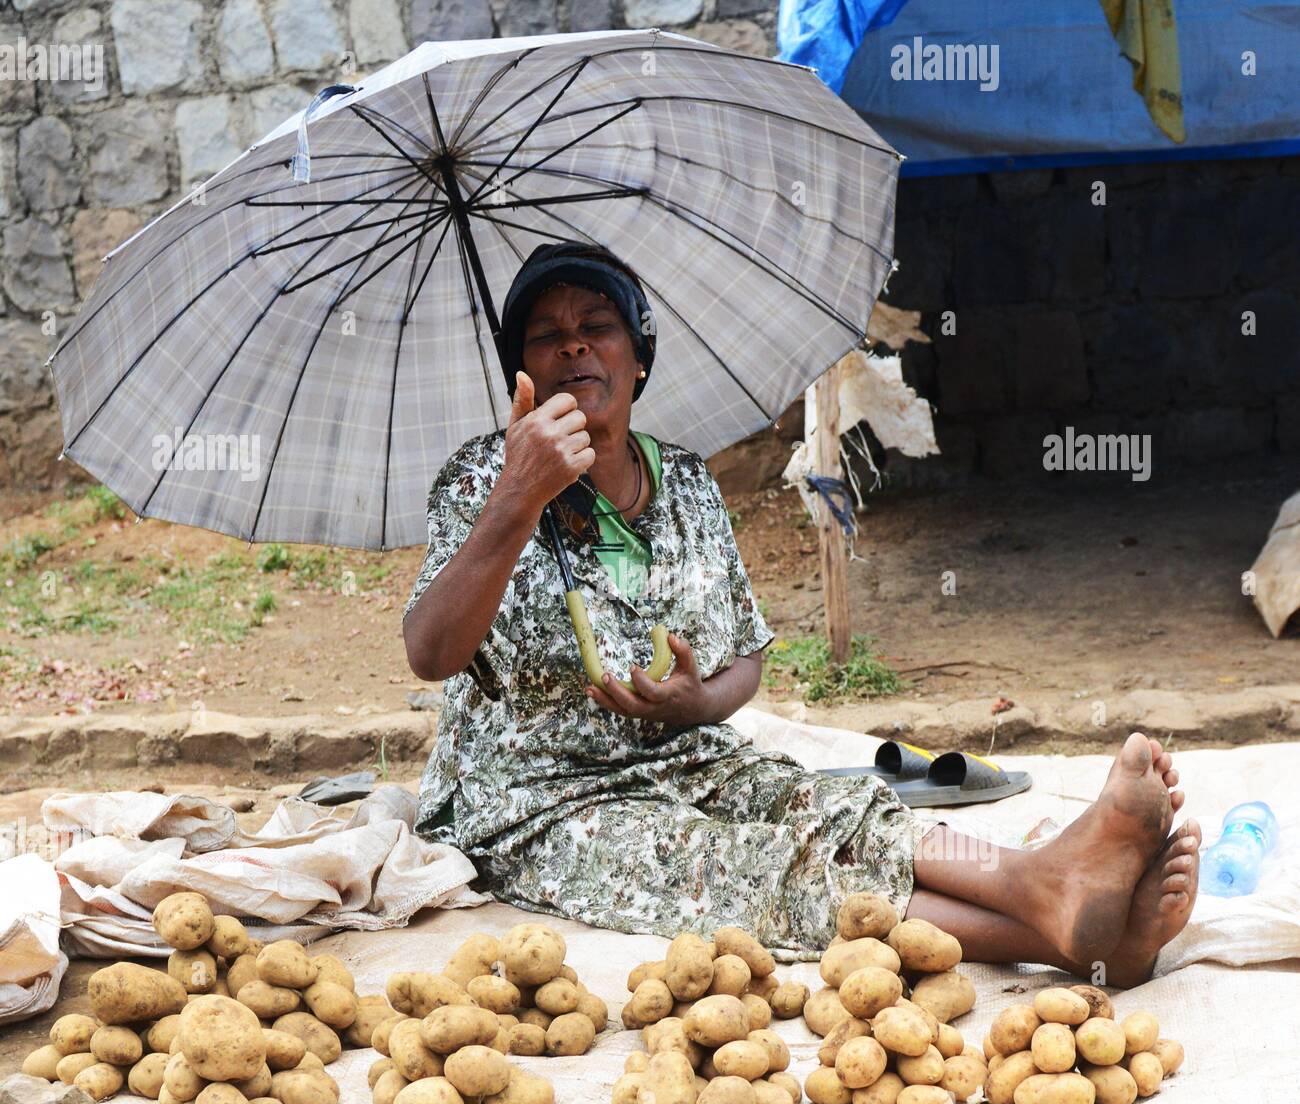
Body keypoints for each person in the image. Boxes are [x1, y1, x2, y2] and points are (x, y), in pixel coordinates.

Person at [403, 241, 1200, 982]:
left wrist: (699, 702)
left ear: (638, 359)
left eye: (596, 326)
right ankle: (1055, 913)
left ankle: (1054, 895)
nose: (573, 346)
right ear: (524, 377)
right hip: (538, 795)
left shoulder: (681, 482)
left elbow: (742, 655)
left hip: (684, 754)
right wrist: (520, 495)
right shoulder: (482, 478)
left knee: (838, 807)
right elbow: (431, 652)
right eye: (545, 335)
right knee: (725, 862)